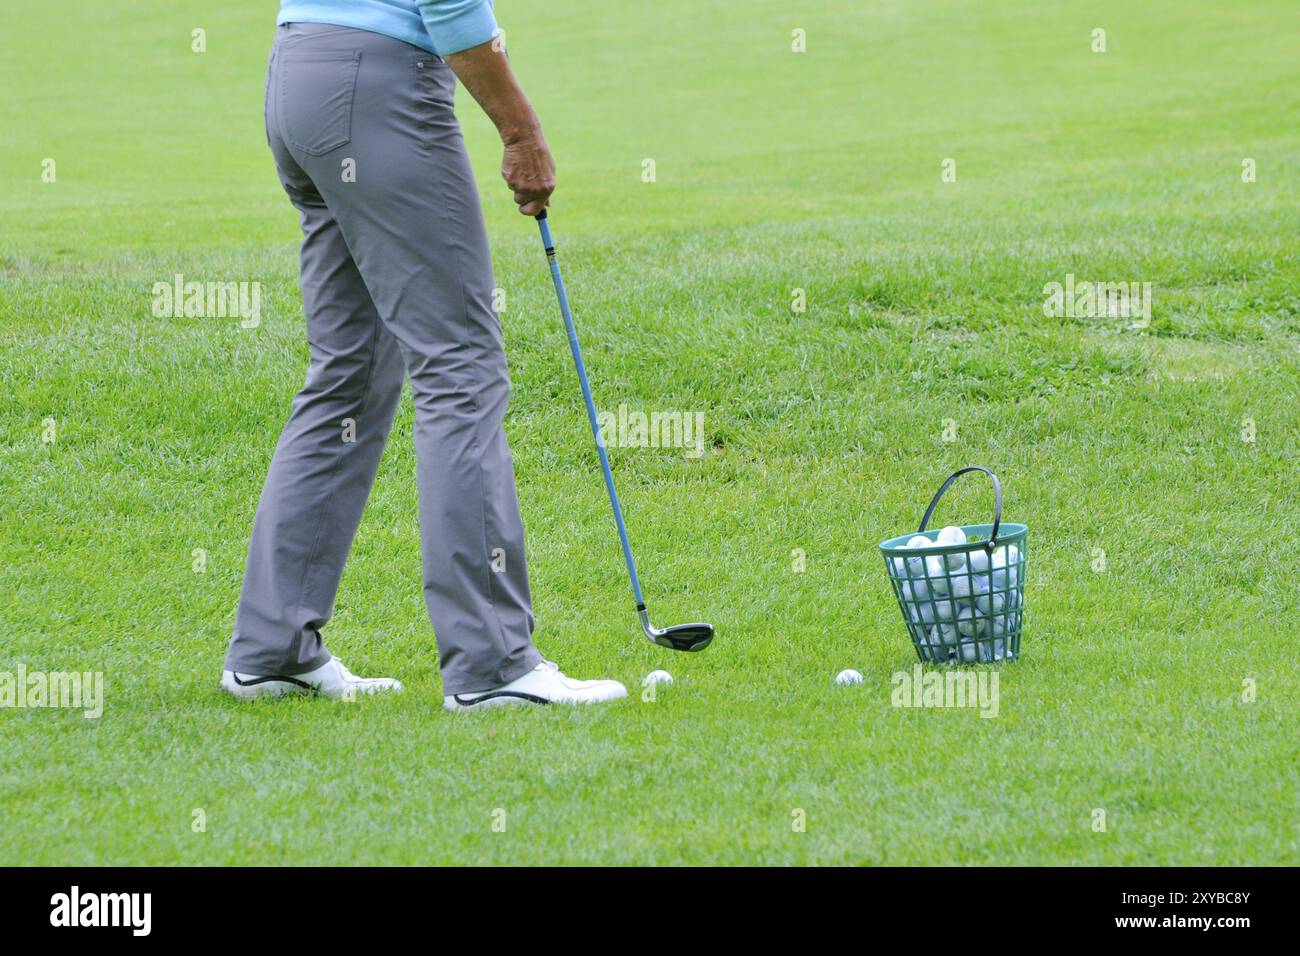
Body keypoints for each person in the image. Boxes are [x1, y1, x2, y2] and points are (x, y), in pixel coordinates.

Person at [220, 0, 626, 709]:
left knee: (349, 370)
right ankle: (493, 662)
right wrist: (520, 129)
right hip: (378, 88)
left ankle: (273, 648)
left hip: (299, 72)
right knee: (460, 365)